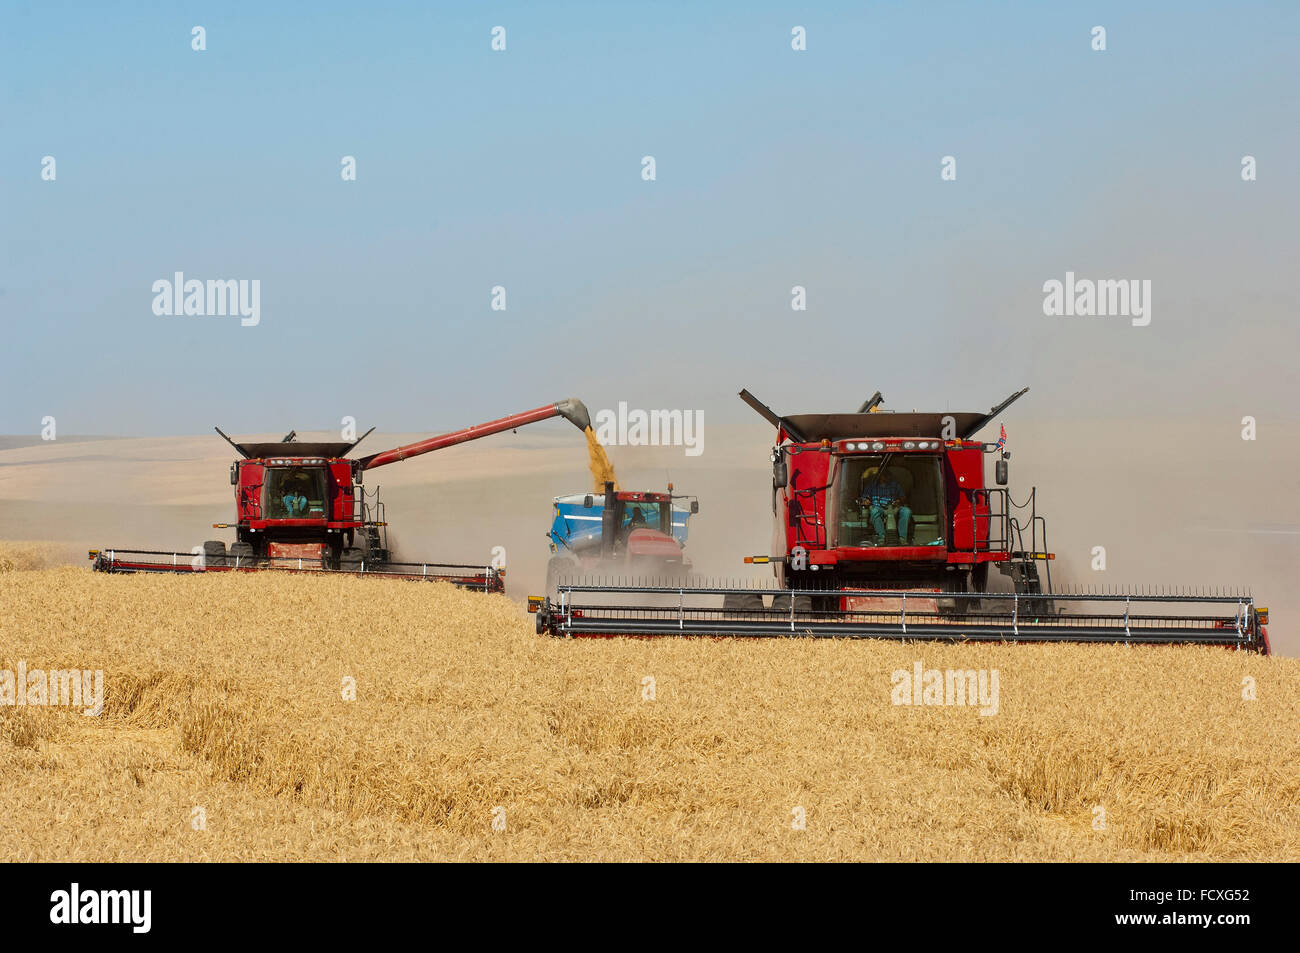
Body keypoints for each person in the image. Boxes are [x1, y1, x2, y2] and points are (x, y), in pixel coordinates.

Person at [860, 469, 912, 544]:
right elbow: (863, 499)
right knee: (874, 511)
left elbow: (903, 497)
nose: (885, 478)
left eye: (887, 475)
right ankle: (881, 538)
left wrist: (899, 501)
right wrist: (866, 501)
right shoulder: (871, 486)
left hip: (894, 508)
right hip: (878, 508)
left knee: (906, 511)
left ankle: (903, 539)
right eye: (882, 476)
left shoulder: (895, 485)